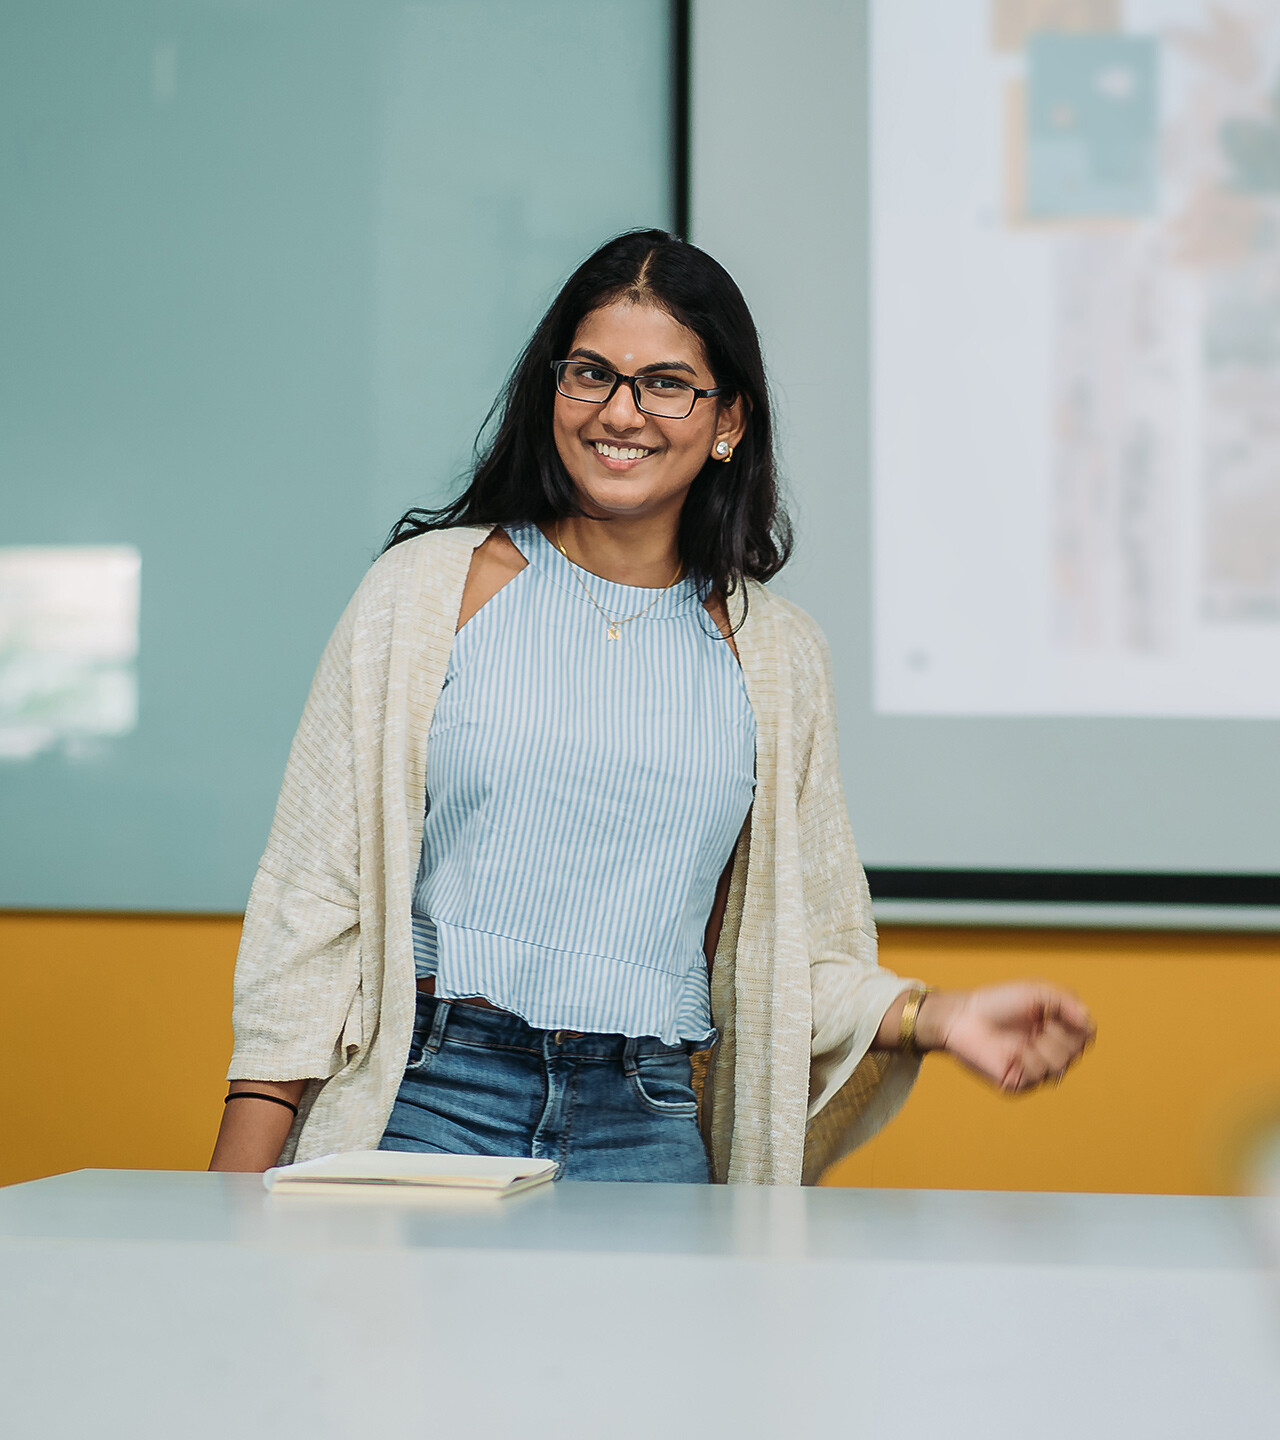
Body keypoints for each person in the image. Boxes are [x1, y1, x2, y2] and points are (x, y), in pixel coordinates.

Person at [209, 229, 1094, 1184]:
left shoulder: (777, 654)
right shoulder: (426, 594)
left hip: (646, 1117)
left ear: (728, 422)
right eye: (592, 373)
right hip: (433, 1098)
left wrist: (940, 1016)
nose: (621, 412)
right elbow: (310, 908)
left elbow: (789, 955)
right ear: (552, 392)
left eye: (666, 382)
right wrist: (232, 1197)